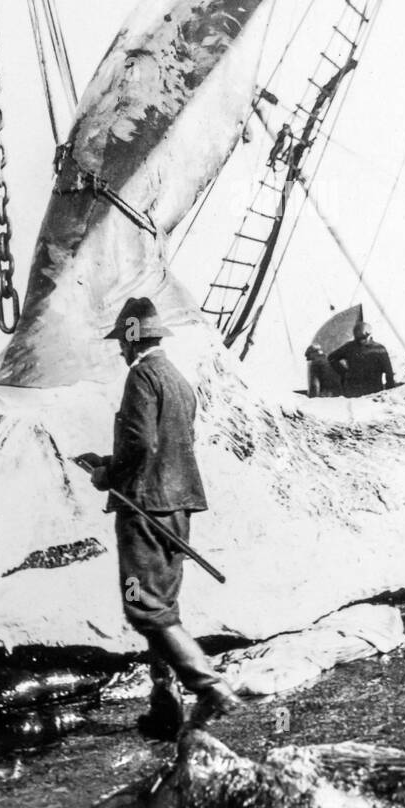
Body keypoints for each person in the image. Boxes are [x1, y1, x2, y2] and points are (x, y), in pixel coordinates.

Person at [77, 296, 240, 739]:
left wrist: (106, 472)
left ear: (133, 339)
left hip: (143, 509)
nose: (120, 350)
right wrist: (117, 460)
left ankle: (210, 688)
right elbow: (166, 446)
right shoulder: (179, 381)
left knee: (145, 610)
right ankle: (165, 707)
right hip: (178, 508)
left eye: (122, 341)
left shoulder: (141, 376)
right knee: (163, 607)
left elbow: (142, 446)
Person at [328, 320, 394, 398]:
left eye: (363, 338)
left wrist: (389, 390)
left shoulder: (379, 349)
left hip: (373, 391)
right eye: (358, 339)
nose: (361, 341)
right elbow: (332, 358)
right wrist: (344, 372)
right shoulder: (349, 347)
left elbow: (388, 371)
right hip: (354, 390)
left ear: (369, 335)